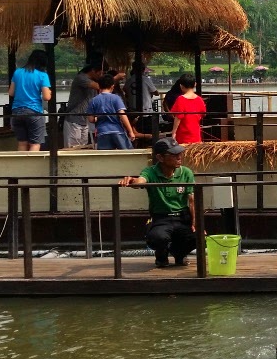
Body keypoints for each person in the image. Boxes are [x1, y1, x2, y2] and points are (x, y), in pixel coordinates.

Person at [119, 138, 196, 268]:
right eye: (173, 154)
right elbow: (141, 181)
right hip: (161, 218)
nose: (179, 157)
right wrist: (132, 181)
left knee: (198, 237)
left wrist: (196, 223)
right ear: (160, 157)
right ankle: (161, 253)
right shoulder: (151, 172)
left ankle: (179, 254)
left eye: (180, 153)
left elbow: (193, 201)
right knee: (157, 238)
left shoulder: (186, 173)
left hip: (182, 217)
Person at [8, 50, 51, 151]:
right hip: (34, 110)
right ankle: (32, 166)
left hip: (17, 111)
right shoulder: (42, 75)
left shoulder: (17, 72)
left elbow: (11, 93)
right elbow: (46, 97)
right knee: (35, 144)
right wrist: (49, 92)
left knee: (22, 143)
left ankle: (21, 166)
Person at [87, 73, 137, 149]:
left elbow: (91, 119)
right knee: (127, 154)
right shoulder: (116, 98)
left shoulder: (93, 100)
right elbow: (122, 115)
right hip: (117, 130)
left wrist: (98, 118)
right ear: (112, 86)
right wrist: (130, 131)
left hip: (102, 132)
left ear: (99, 86)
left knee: (106, 157)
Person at [63, 61, 104, 148]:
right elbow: (99, 87)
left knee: (83, 148)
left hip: (85, 120)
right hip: (74, 119)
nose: (101, 75)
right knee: (72, 148)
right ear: (93, 71)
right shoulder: (81, 78)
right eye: (100, 73)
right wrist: (113, 79)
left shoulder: (93, 81)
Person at [167, 74, 206, 145]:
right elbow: (203, 114)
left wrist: (174, 132)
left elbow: (178, 117)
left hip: (183, 134)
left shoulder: (180, 99)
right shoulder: (199, 100)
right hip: (196, 133)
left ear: (181, 86)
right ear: (195, 84)